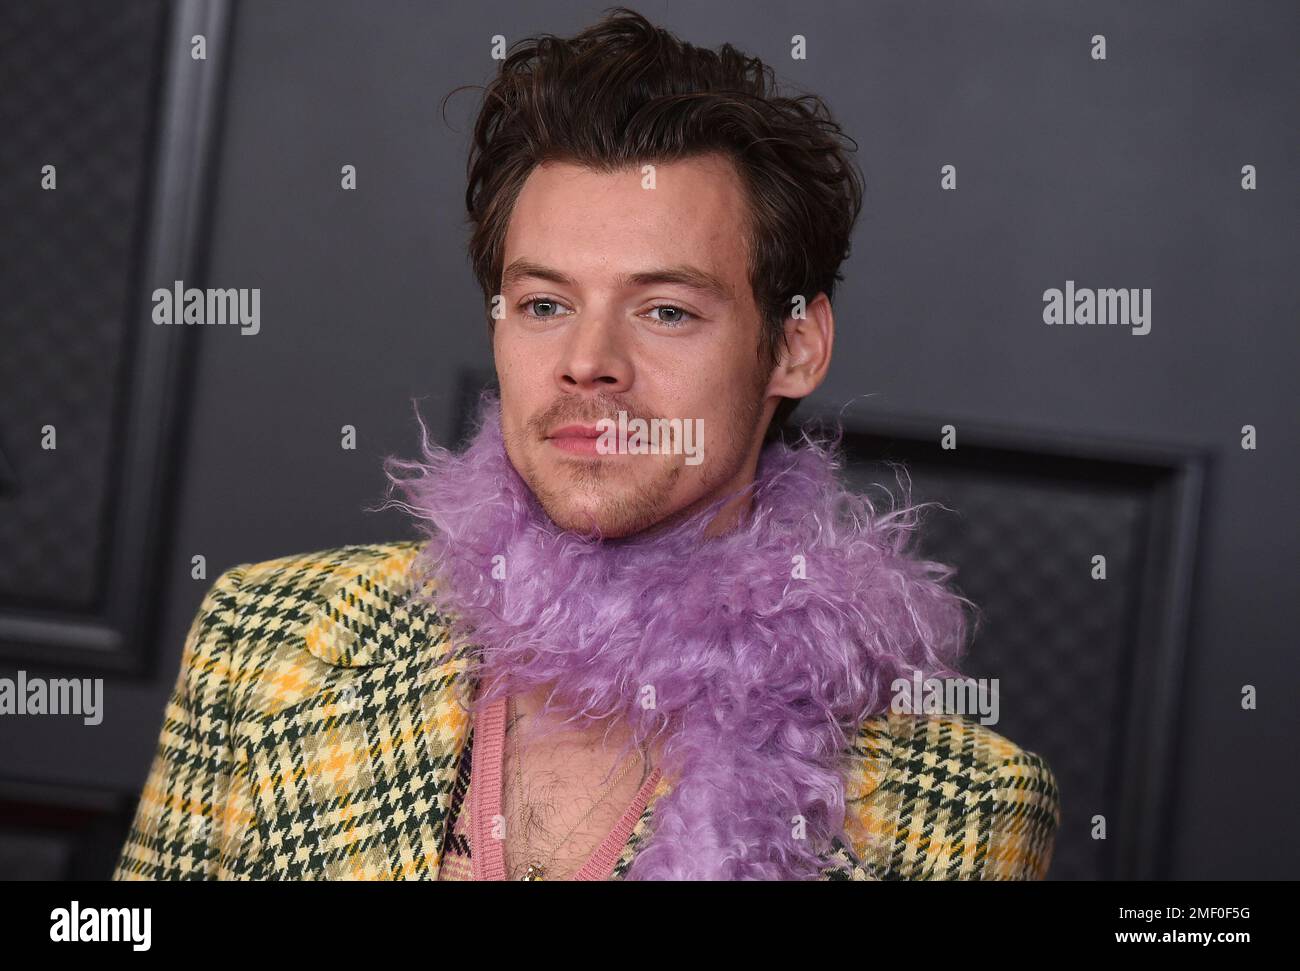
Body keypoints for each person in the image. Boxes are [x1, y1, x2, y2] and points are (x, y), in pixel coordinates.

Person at [114, 8, 1059, 882]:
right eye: (545, 304)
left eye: (666, 309)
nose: (588, 362)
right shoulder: (266, 643)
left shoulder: (959, 809)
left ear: (795, 346)